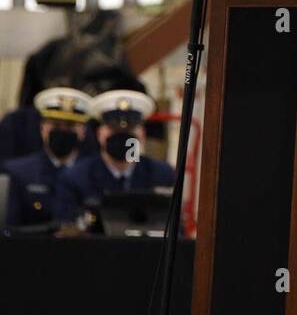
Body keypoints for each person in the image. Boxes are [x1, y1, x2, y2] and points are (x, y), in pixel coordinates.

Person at [56, 89, 175, 227]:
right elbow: (65, 228)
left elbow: (175, 229)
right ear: (100, 134)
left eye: (129, 130)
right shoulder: (76, 177)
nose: (122, 137)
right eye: (114, 130)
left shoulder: (161, 174)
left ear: (142, 134)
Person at [1, 87, 94, 230]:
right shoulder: (18, 172)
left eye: (70, 126)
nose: (62, 131)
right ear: (43, 128)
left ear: (82, 131)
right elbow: (10, 229)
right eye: (56, 125)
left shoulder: (93, 173)